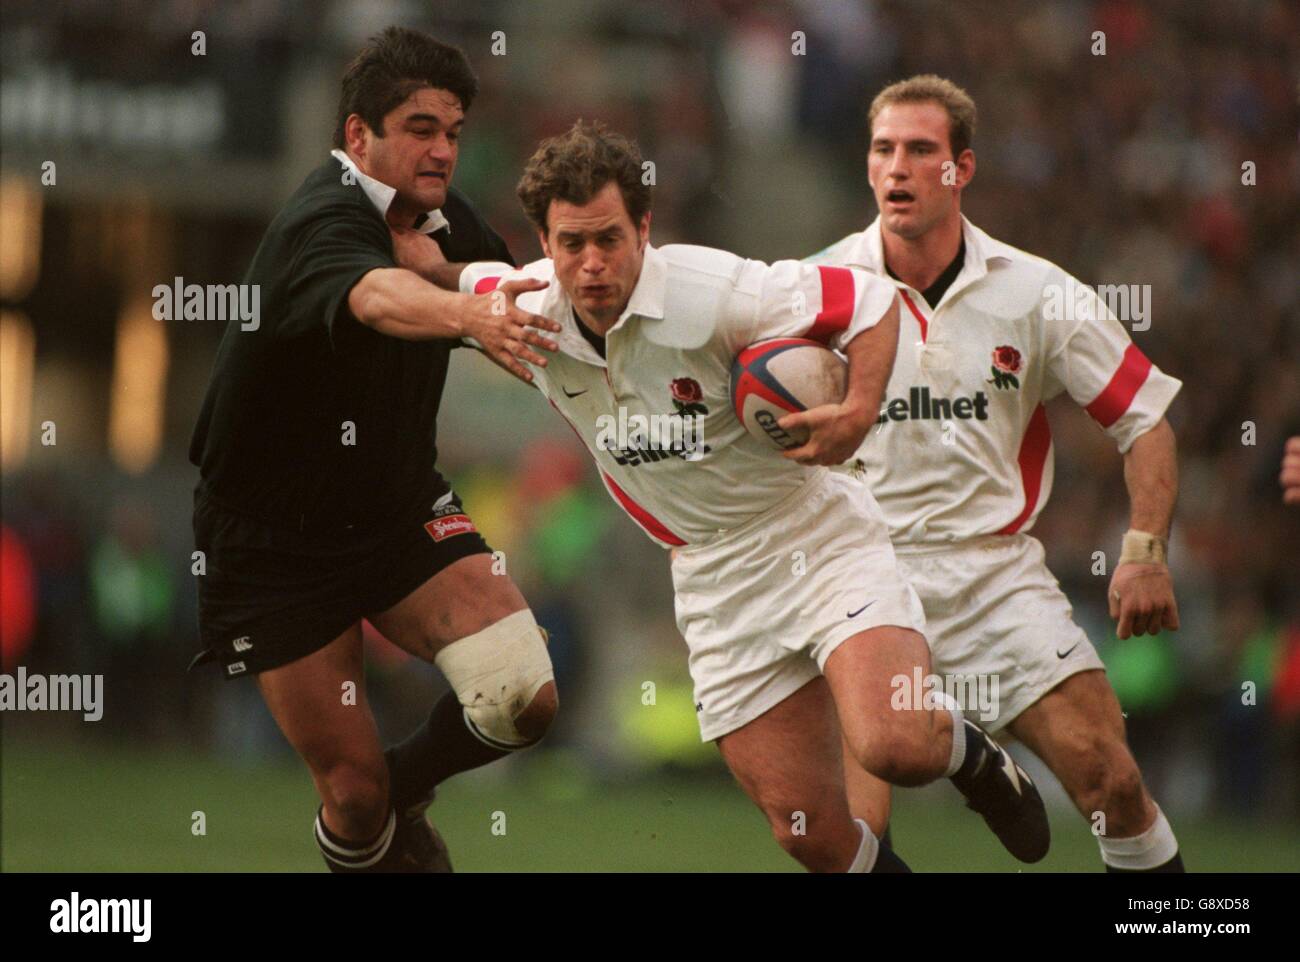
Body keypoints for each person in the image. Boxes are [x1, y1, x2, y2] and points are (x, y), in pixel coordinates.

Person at [410, 120, 1050, 872]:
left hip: (814, 532)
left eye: (611, 239)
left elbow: (871, 303)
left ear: (644, 229)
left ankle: (973, 757)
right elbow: (428, 270)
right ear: (543, 245)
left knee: (894, 743)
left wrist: (856, 412)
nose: (592, 264)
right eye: (572, 243)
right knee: (808, 833)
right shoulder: (522, 304)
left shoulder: (712, 292)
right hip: (712, 577)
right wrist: (346, 255)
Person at [187, 27, 564, 873]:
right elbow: (374, 296)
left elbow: (522, 296)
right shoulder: (319, 217)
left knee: (523, 698)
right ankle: (381, 812)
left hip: (395, 507)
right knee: (351, 800)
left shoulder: (445, 222)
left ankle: (406, 787)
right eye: (421, 128)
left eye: (455, 132)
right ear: (358, 135)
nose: (442, 150)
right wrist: (461, 307)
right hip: (272, 540)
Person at [805, 75, 1185, 872]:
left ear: (962, 168)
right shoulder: (810, 292)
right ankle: (969, 762)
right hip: (856, 576)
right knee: (845, 841)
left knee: (1112, 785)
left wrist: (1145, 547)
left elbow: (1144, 417)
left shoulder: (1037, 291)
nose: (898, 168)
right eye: (883, 150)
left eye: (920, 150)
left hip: (991, 576)